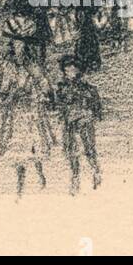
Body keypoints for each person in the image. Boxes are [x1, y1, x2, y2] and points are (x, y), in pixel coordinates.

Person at [0, 36, 54, 196]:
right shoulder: (7, 66)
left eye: (21, 47)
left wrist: (42, 94)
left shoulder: (33, 66)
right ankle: (20, 183)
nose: (19, 50)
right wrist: (12, 93)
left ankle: (41, 177)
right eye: (16, 47)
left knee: (34, 144)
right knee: (18, 148)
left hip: (32, 111)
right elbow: (0, 89)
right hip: (16, 112)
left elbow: (45, 85)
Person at [55, 54, 103, 193]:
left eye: (72, 68)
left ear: (78, 69)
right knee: (71, 151)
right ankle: (75, 176)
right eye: (66, 69)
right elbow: (58, 104)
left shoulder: (87, 87)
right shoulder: (61, 87)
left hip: (84, 120)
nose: (69, 72)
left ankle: (96, 171)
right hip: (69, 121)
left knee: (89, 148)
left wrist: (92, 113)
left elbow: (95, 103)